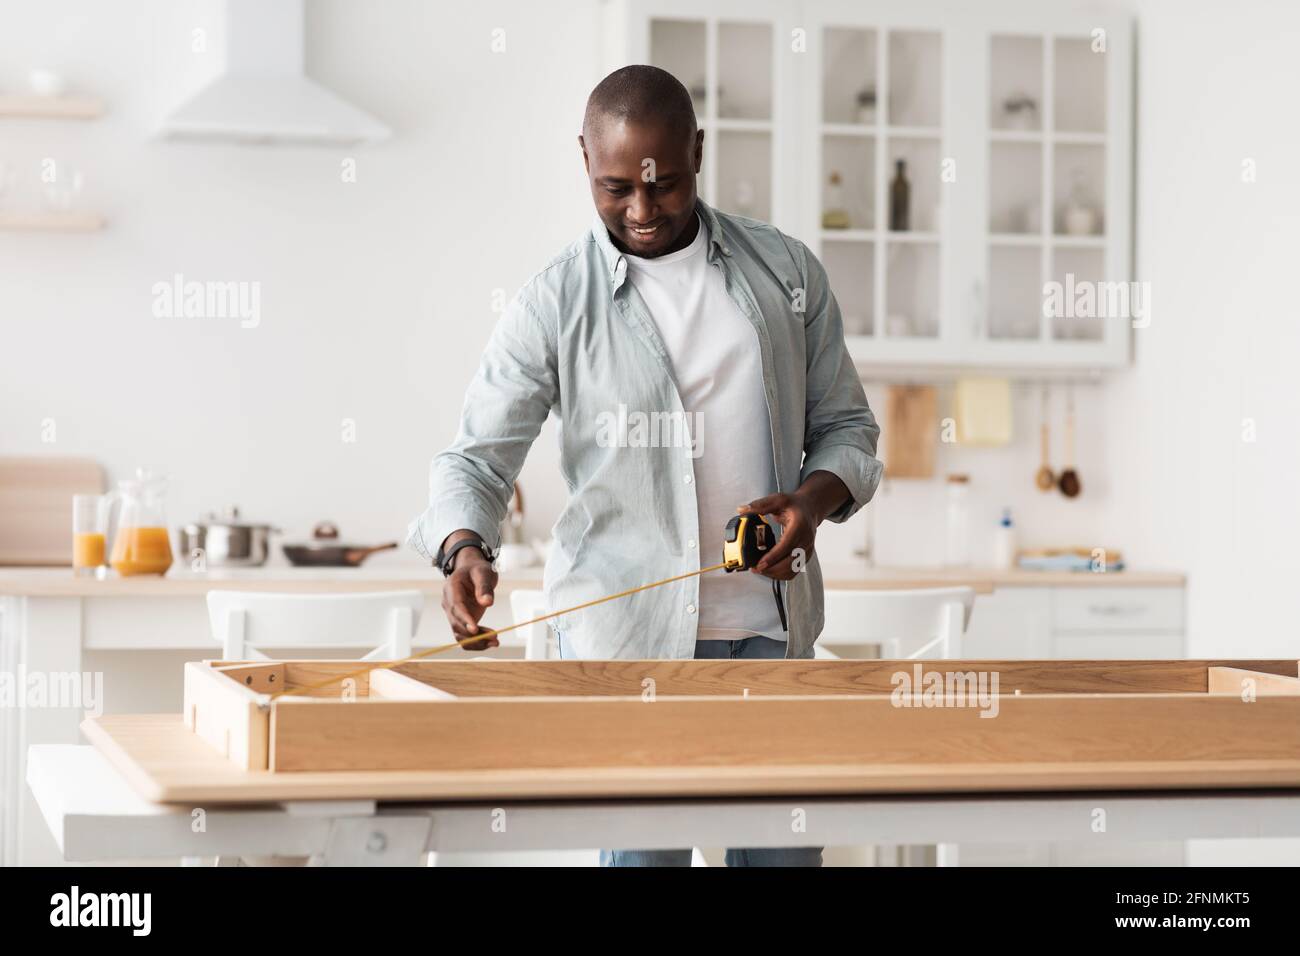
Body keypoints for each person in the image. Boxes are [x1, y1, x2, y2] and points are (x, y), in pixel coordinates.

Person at [408, 65, 882, 867]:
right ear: (584, 164)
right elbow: (477, 459)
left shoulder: (787, 276)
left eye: (664, 185)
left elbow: (847, 429)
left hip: (769, 641)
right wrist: (461, 548)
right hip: (624, 652)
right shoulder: (555, 301)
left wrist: (812, 498)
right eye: (615, 187)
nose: (641, 210)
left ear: (698, 151)